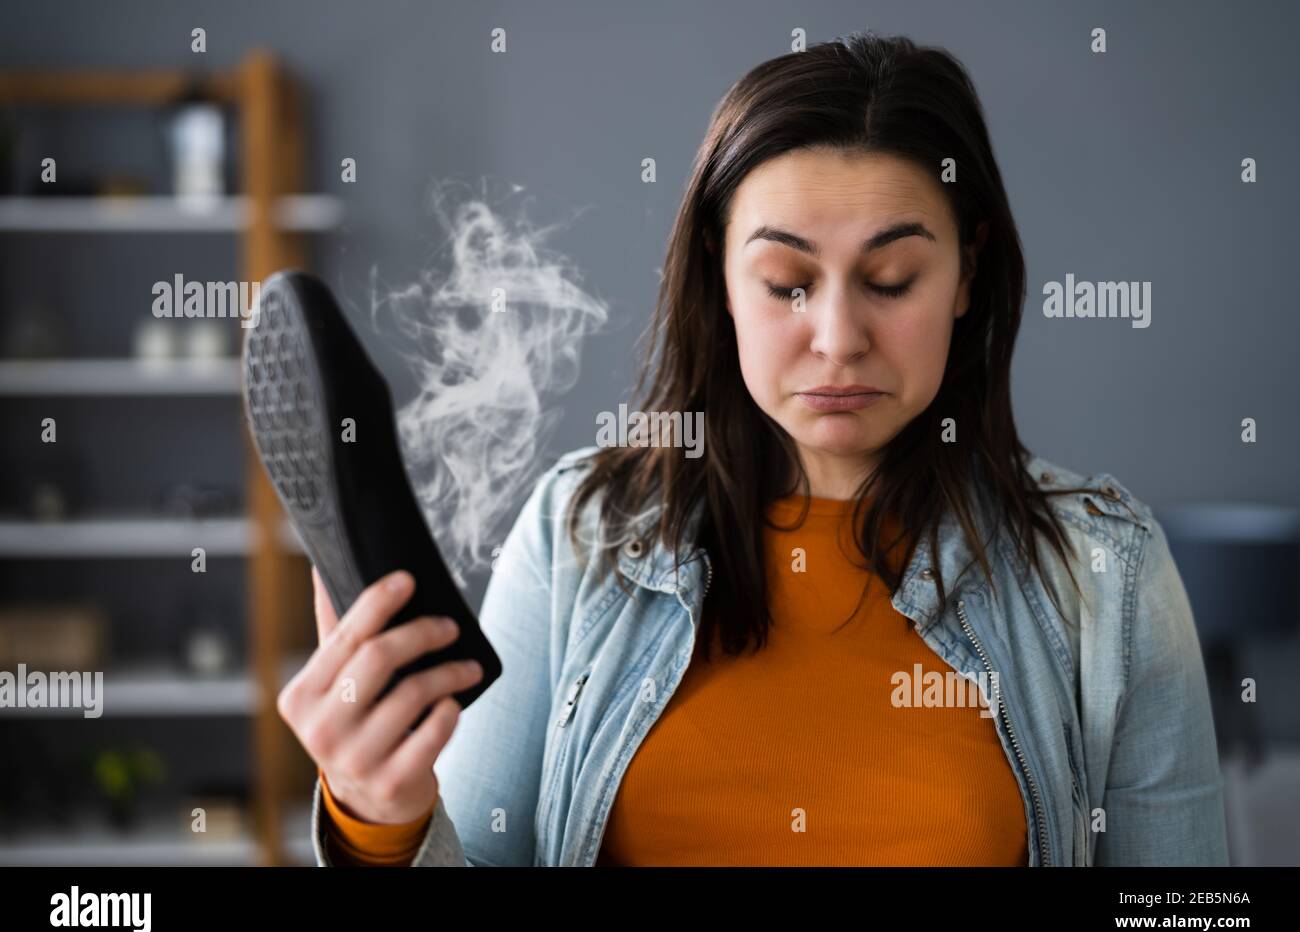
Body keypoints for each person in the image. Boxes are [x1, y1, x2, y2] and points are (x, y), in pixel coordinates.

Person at [278, 30, 1228, 867]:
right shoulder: (581, 537)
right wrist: (380, 823)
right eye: (785, 282)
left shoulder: (1107, 574)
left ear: (968, 273)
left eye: (892, 279)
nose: (839, 336)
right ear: (720, 281)